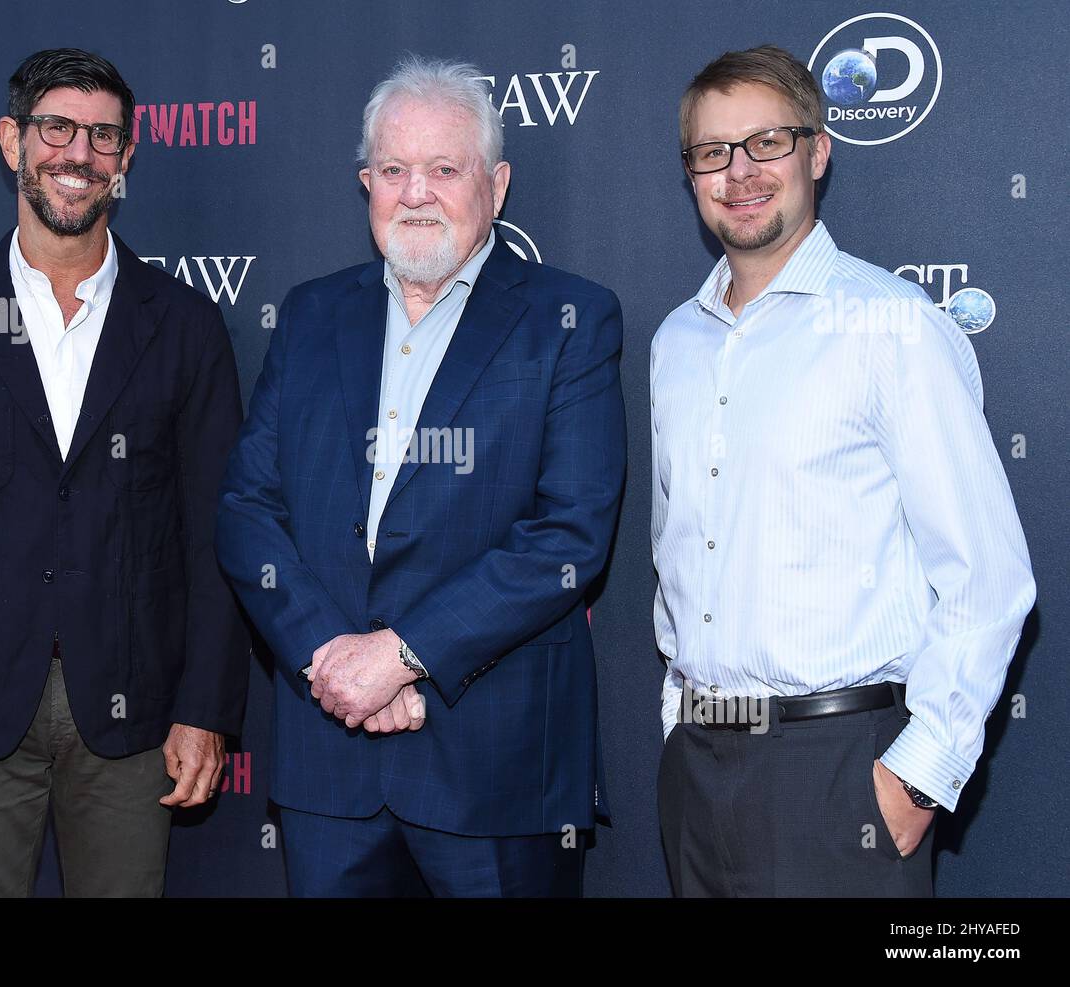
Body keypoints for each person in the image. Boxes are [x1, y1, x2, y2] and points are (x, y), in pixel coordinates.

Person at [216, 56, 626, 897]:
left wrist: (404, 655)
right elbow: (247, 509)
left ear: (497, 184)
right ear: (365, 182)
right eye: (394, 170)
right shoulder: (309, 314)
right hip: (331, 769)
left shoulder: (570, 319)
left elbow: (570, 533)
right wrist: (333, 657)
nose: (416, 192)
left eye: (446, 168)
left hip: (499, 771)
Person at [0, 48, 250, 896]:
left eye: (103, 136)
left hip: (134, 711)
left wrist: (208, 707)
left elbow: (218, 532)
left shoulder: (183, 326)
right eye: (57, 129)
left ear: (128, 153)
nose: (79, 155)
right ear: (12, 141)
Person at [651, 45, 1036, 896]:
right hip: (698, 769)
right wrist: (678, 717)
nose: (740, 171)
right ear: (691, 174)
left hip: (840, 775)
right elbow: (679, 550)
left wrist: (915, 779)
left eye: (767, 142)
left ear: (818, 151)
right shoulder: (676, 342)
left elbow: (989, 576)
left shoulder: (892, 327)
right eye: (713, 151)